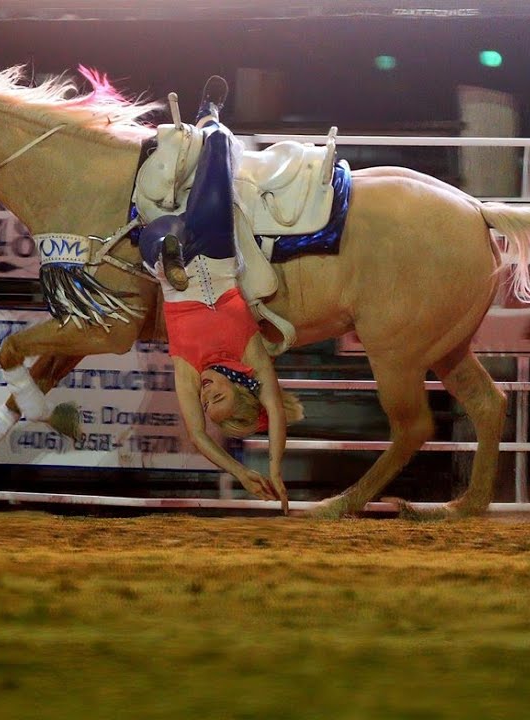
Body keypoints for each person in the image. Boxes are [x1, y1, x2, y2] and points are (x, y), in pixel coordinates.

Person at [139, 76, 304, 512]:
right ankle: (209, 112)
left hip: (174, 272)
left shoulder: (188, 372)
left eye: (206, 401)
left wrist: (238, 471)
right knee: (217, 144)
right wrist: (272, 469)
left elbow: (197, 436)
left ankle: (165, 252)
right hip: (215, 254)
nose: (207, 393)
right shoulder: (251, 357)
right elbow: (276, 414)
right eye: (219, 397)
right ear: (241, 388)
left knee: (159, 237)